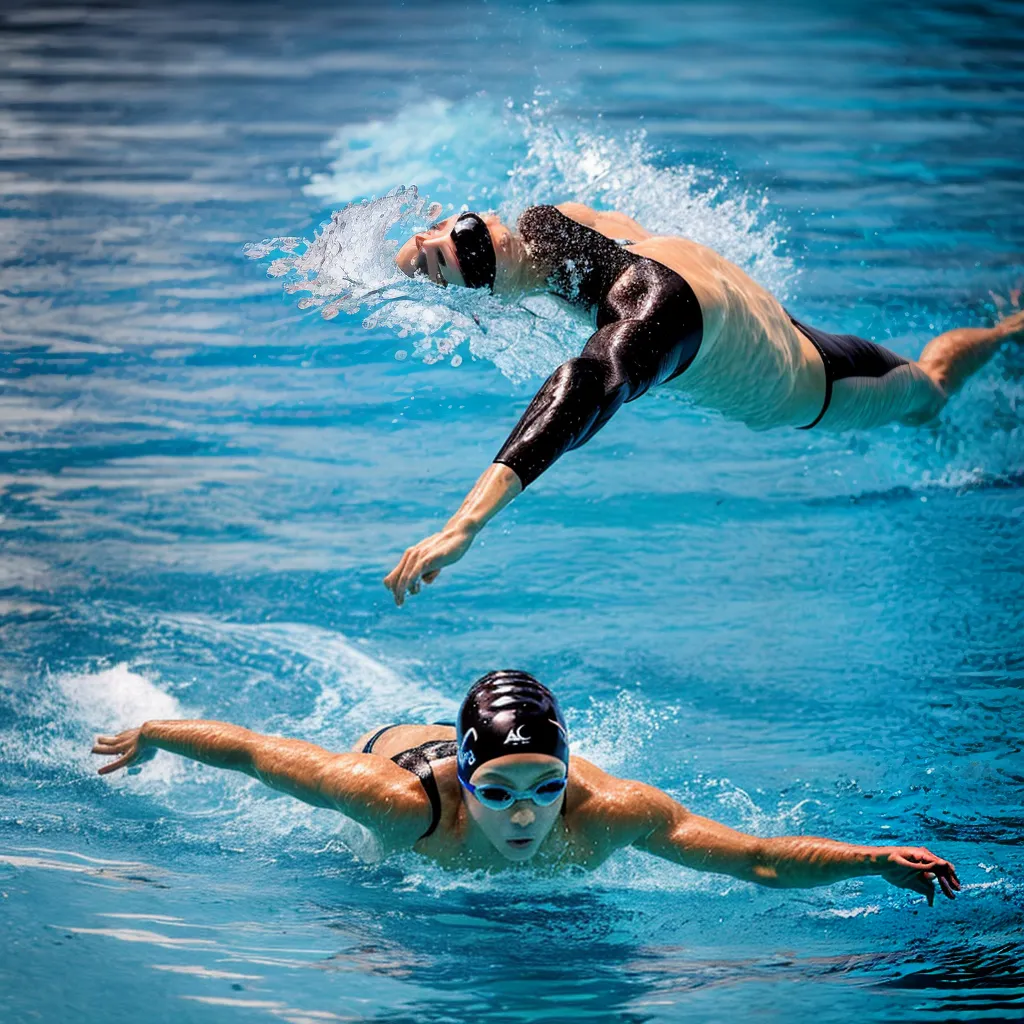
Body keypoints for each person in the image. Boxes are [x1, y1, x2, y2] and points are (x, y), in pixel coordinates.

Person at [383, 205, 1024, 604]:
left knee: (931, 393)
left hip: (816, 382)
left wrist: (464, 524)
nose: (474, 239)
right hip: (756, 318)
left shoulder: (647, 317)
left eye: (462, 232)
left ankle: (1008, 331)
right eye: (462, 259)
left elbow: (586, 384)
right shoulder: (547, 227)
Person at [93, 669, 959, 903]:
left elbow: (757, 859)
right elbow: (257, 753)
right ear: (468, 784)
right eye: (499, 792)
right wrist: (155, 731)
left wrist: (870, 859)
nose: (524, 816)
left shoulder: (610, 814)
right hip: (398, 750)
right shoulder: (400, 807)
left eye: (545, 788)